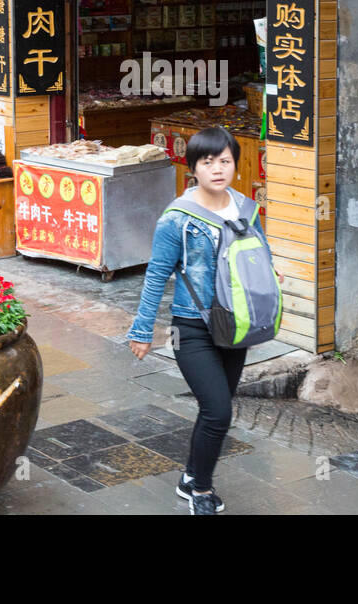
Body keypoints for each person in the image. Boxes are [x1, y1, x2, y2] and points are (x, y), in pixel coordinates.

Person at [127, 126, 278, 515]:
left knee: (217, 407)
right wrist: (142, 330)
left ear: (234, 164)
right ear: (193, 167)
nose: (217, 169)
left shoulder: (247, 209)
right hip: (190, 327)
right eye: (207, 162)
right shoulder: (177, 218)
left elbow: (260, 260)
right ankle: (202, 491)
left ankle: (190, 476)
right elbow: (158, 273)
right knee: (218, 411)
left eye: (225, 161)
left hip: (235, 325)